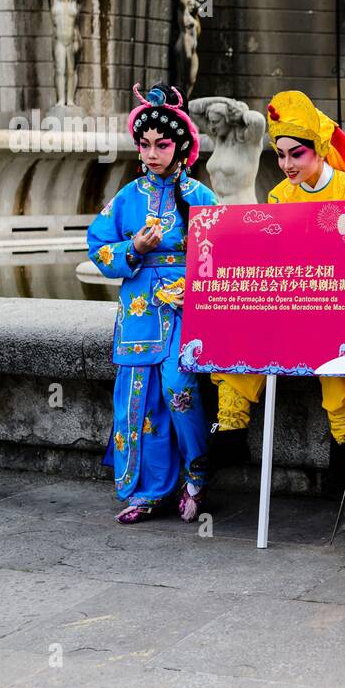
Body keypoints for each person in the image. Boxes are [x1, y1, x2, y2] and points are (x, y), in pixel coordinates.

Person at [209, 90, 345, 481]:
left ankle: (341, 445)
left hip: (336, 306)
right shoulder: (280, 195)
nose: (285, 164)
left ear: (317, 150)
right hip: (293, 300)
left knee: (336, 364)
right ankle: (230, 429)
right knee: (241, 336)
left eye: (295, 154)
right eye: (280, 155)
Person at [87, 83, 218, 523]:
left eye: (161, 145)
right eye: (144, 145)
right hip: (141, 310)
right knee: (138, 399)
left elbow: (223, 255)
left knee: (178, 389)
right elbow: (97, 246)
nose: (151, 153)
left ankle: (197, 475)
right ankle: (147, 490)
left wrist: (194, 283)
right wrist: (132, 250)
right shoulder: (126, 197)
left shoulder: (200, 197)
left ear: (181, 148)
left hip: (187, 309)